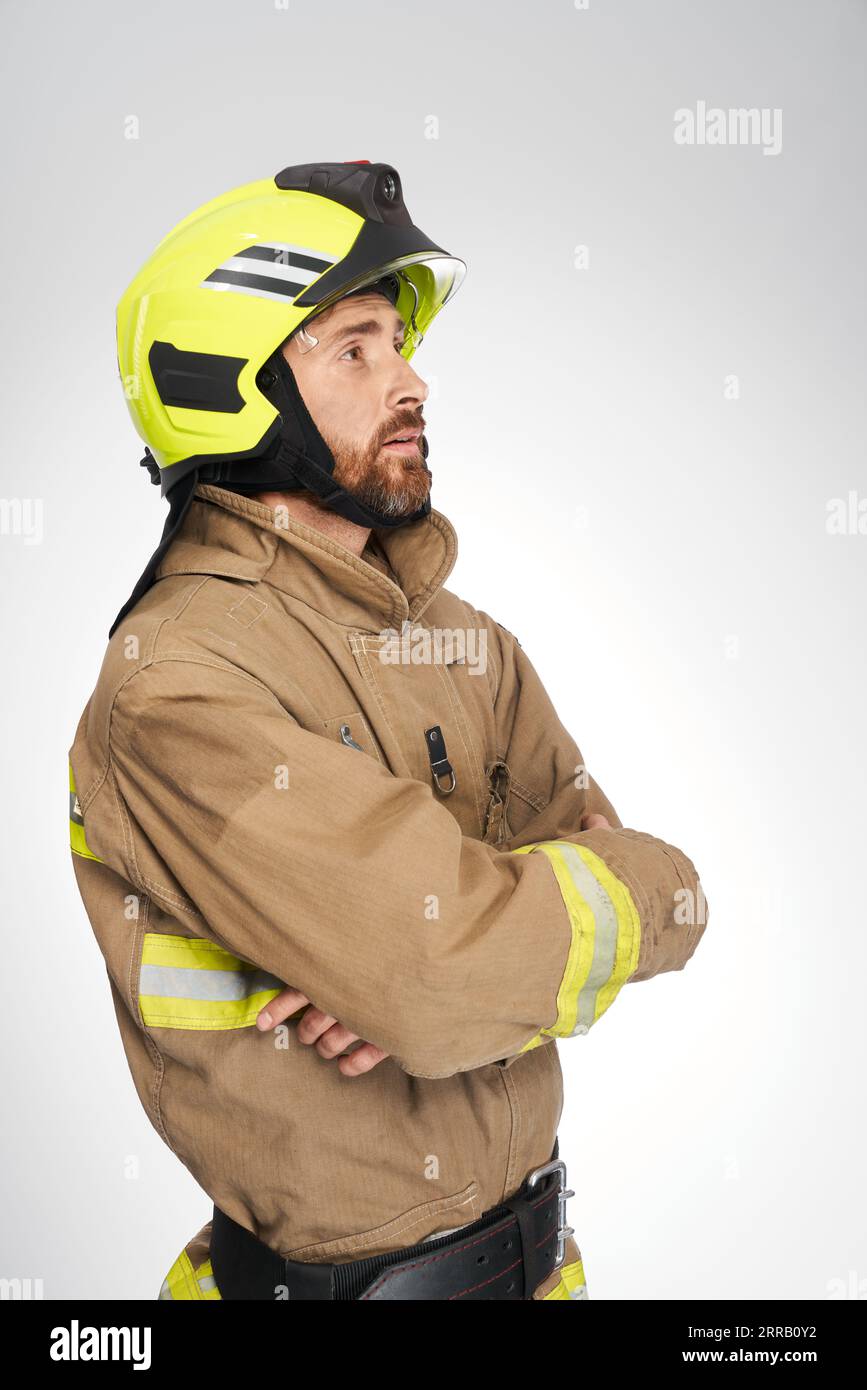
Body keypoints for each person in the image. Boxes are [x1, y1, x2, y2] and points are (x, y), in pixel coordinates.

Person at [68, 160, 709, 1301]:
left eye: (401, 346)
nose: (410, 380)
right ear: (228, 382)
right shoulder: (174, 685)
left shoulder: (470, 643)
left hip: (544, 1270)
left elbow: (634, 892)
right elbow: (440, 969)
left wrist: (532, 930)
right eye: (355, 349)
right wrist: (469, 957)